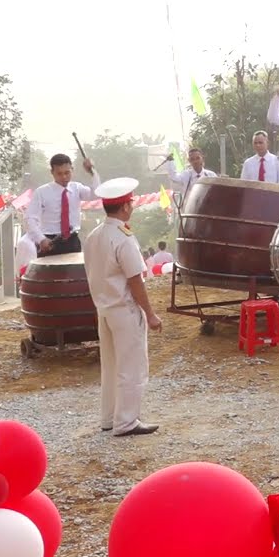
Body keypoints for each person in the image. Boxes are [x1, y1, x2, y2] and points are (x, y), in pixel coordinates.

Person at [83, 177, 162, 437]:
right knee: (131, 366)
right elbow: (135, 280)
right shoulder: (124, 238)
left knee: (111, 366)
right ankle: (126, 421)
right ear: (125, 206)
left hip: (104, 308)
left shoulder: (94, 236)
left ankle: (109, 418)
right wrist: (150, 314)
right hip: (124, 309)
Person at [26, 153, 100, 257]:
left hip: (72, 241)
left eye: (67, 172)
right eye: (59, 173)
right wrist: (41, 239)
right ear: (52, 172)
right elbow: (30, 218)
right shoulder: (41, 192)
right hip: (49, 242)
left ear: (72, 170)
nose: (64, 177)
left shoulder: (77, 188)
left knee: (74, 268)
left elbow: (96, 194)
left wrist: (92, 172)